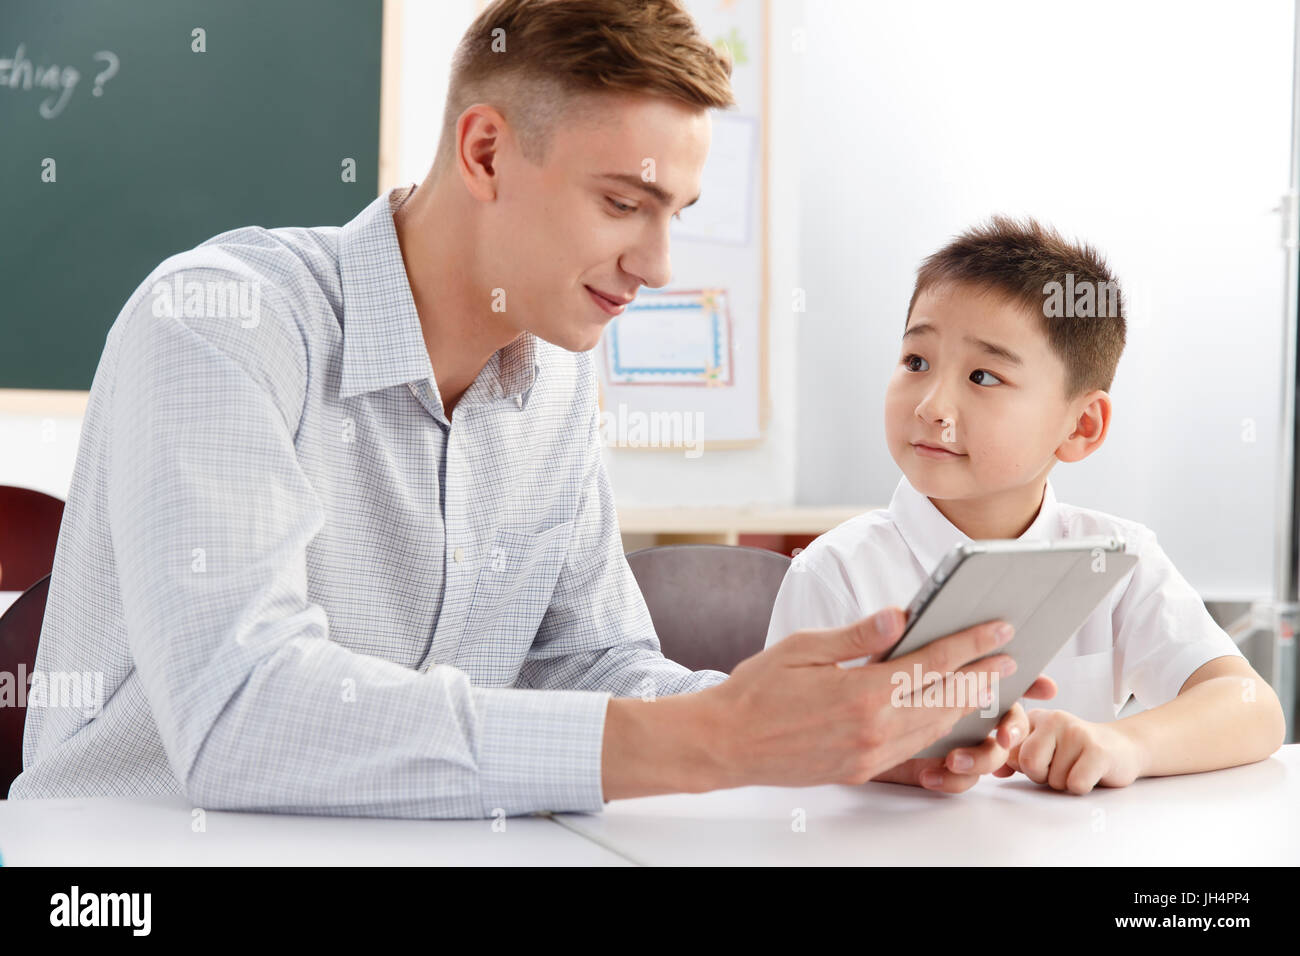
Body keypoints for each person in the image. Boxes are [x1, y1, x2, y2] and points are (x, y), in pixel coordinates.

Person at [10, 0, 1050, 815]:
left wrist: (831, 735)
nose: (656, 265)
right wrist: (718, 740)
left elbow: (586, 664)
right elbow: (242, 716)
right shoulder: (221, 324)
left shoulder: (552, 380)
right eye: (621, 203)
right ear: (484, 152)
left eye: (675, 214)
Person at [765, 216, 1286, 794]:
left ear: (1082, 426)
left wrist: (1125, 743)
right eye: (916, 362)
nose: (932, 406)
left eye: (983, 376)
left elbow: (1253, 709)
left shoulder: (1116, 559)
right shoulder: (837, 572)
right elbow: (778, 754)